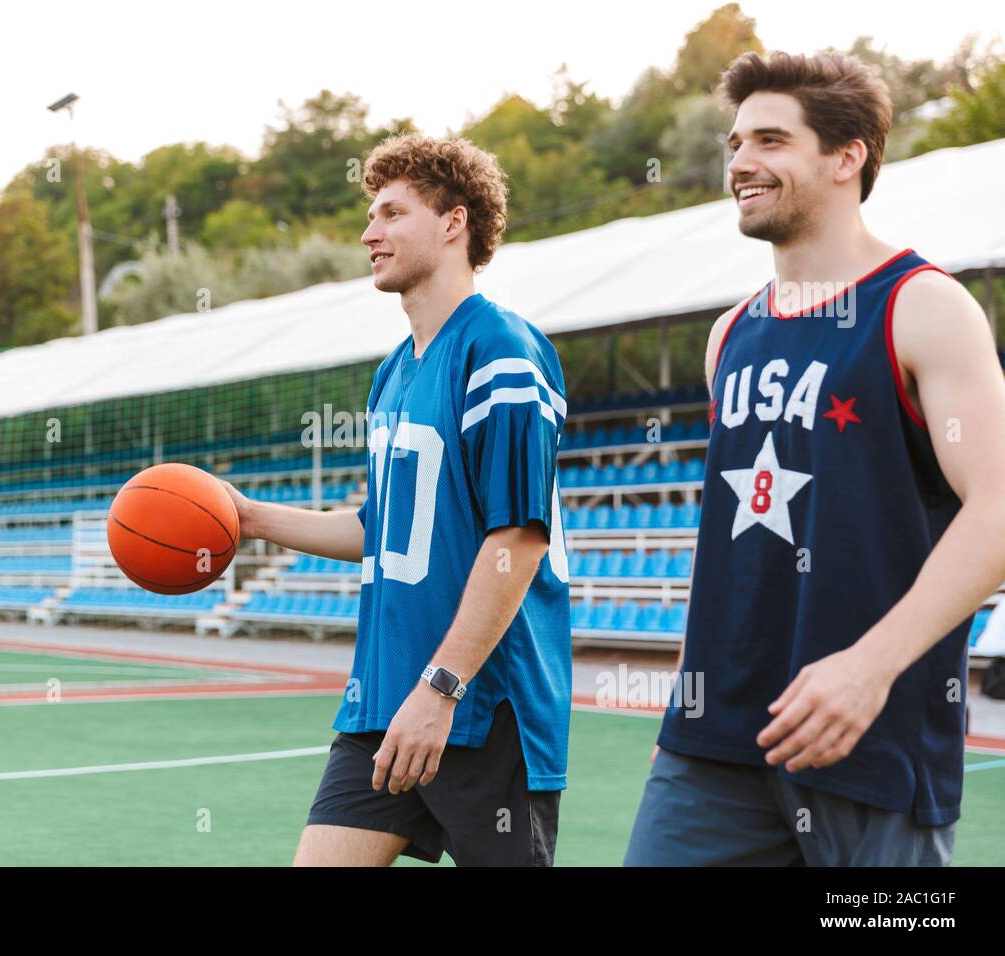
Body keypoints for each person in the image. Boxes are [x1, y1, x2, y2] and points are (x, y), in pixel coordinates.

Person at [624, 51, 1005, 866]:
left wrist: (868, 669)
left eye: (769, 140)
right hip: (716, 744)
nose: (739, 164)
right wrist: (689, 707)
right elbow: (723, 537)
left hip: (869, 735)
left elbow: (999, 511)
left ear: (846, 156)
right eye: (733, 144)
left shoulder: (922, 305)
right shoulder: (730, 334)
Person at [221, 133, 571, 866]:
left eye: (390, 213)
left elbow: (518, 541)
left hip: (481, 706)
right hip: (383, 699)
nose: (367, 233)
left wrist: (441, 687)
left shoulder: (500, 347)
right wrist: (246, 517)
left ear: (454, 223)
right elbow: (380, 531)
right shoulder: (392, 375)